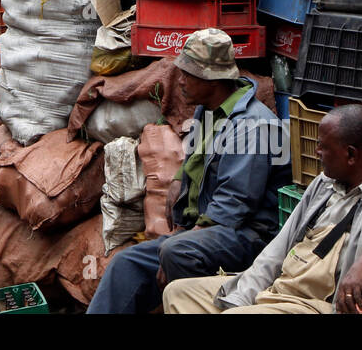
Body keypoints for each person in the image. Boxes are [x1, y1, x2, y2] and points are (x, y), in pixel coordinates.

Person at [164, 105, 362, 314]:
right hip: (281, 288)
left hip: (311, 304)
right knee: (178, 293)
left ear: (351, 155)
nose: (316, 153)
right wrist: (243, 295)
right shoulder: (324, 183)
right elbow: (278, 249)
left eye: (323, 148)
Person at [87, 29, 291, 314]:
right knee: (126, 263)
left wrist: (182, 239)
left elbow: (234, 205)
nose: (180, 81)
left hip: (248, 235)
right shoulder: (207, 110)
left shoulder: (254, 127)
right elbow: (194, 159)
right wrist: (180, 180)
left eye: (188, 74)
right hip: (211, 230)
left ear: (212, 79)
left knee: (176, 252)